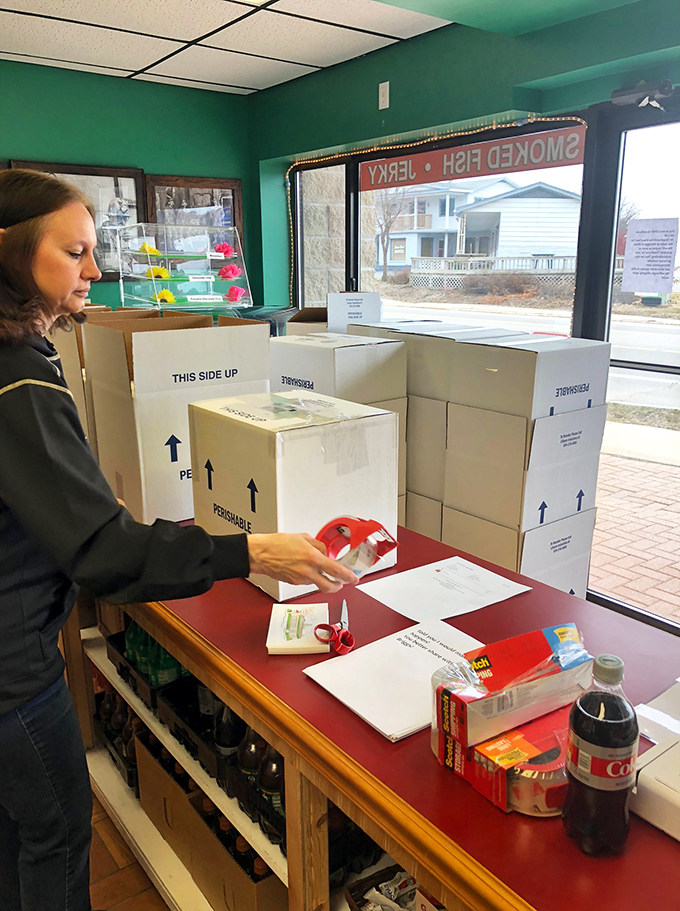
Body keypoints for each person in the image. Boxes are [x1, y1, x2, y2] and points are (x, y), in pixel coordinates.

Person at [0, 168, 356, 911]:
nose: (95, 270)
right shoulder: (19, 378)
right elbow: (104, 553)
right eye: (75, 253)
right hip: (12, 671)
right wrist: (253, 550)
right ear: (10, 254)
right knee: (58, 837)